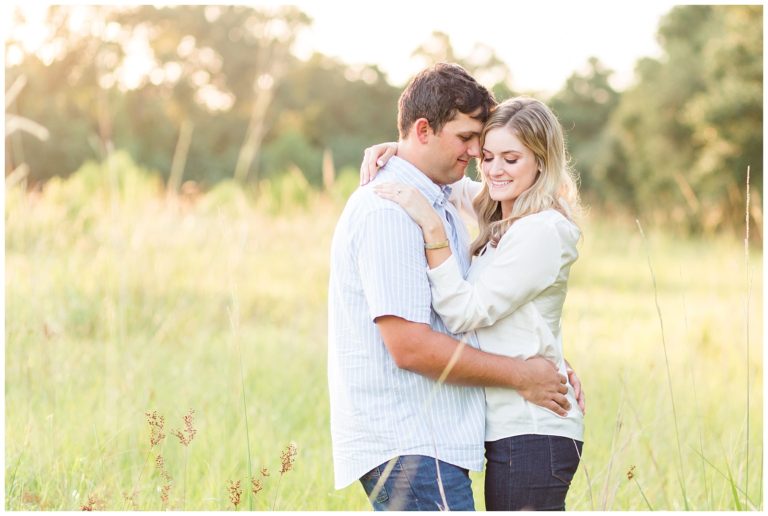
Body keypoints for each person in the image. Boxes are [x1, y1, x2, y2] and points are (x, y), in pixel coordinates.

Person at [328, 63, 582, 511]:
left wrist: (542, 358)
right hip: (413, 438)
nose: (478, 159)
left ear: (541, 161)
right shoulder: (393, 209)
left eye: (506, 155)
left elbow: (481, 310)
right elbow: (411, 346)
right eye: (474, 145)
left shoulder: (521, 222)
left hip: (499, 431)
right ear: (423, 130)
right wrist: (523, 370)